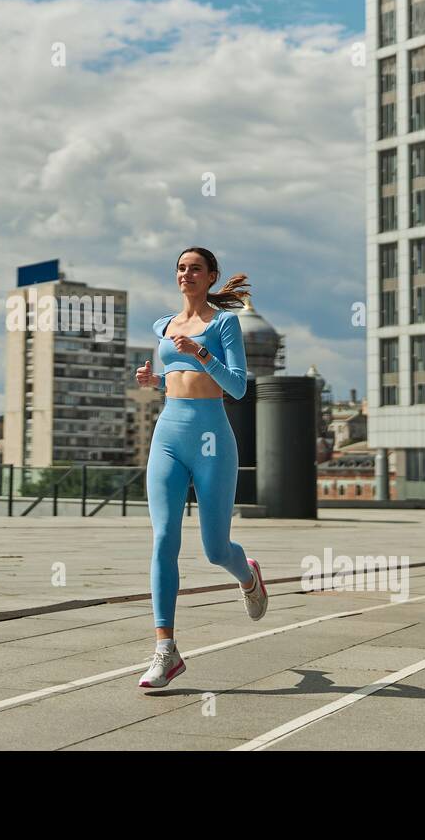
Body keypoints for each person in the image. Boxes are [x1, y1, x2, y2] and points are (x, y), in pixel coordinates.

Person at [133, 247, 267, 690]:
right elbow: (175, 378)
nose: (186, 273)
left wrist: (200, 354)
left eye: (195, 268)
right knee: (164, 538)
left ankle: (247, 575)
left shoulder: (225, 323)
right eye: (181, 268)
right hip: (169, 433)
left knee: (214, 549)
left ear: (211, 277)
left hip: (212, 437)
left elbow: (237, 387)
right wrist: (153, 381)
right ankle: (165, 650)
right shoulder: (163, 325)